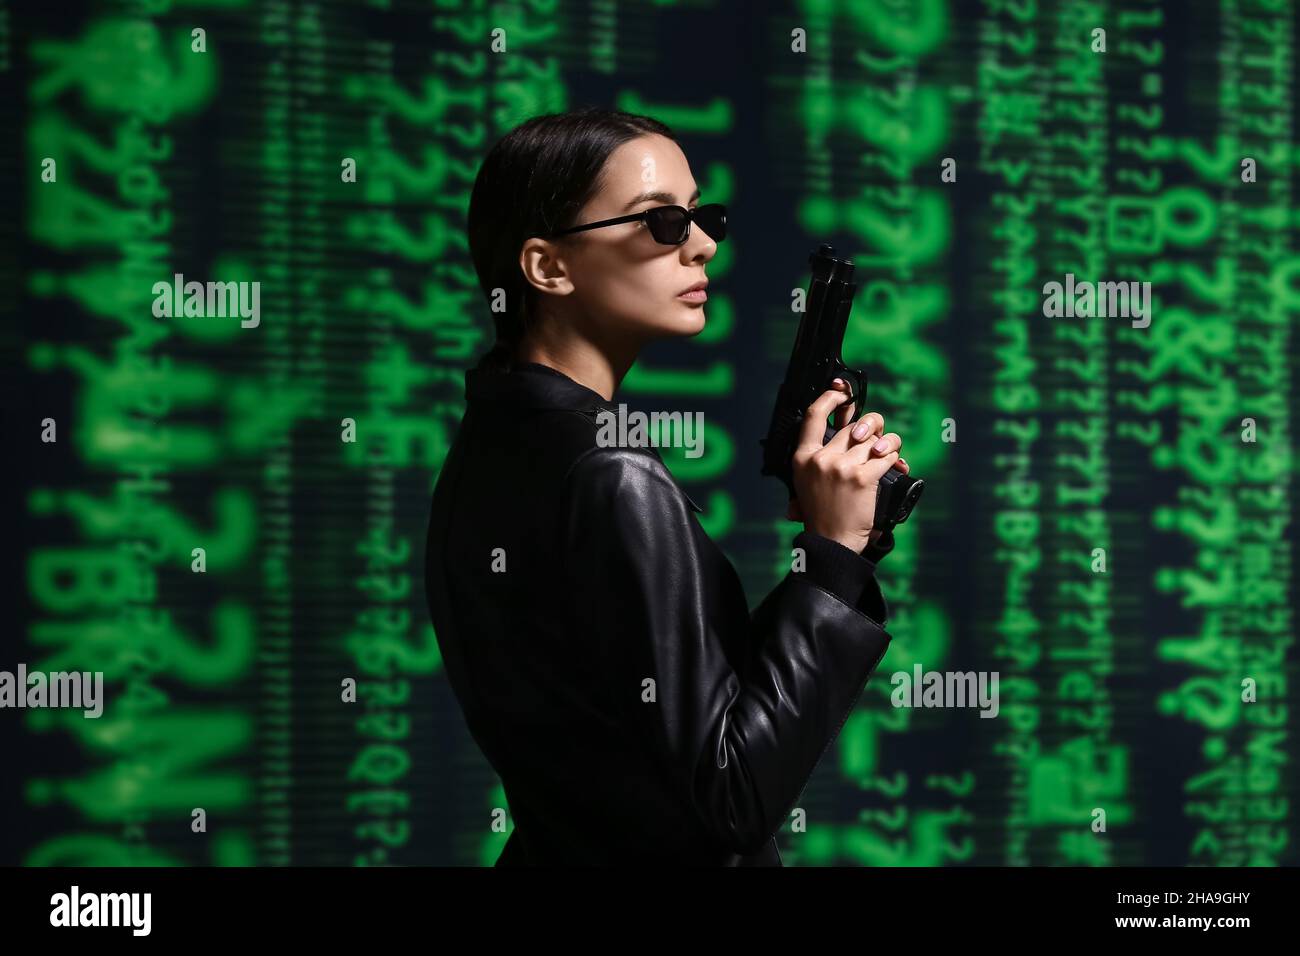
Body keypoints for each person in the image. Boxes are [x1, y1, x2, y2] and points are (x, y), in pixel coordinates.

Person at [424, 106, 910, 865]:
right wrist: (833, 554)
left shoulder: (492, 441)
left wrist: (830, 558)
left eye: (700, 216)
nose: (705, 244)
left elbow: (665, 736)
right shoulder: (610, 473)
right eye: (661, 223)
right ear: (548, 267)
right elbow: (730, 795)